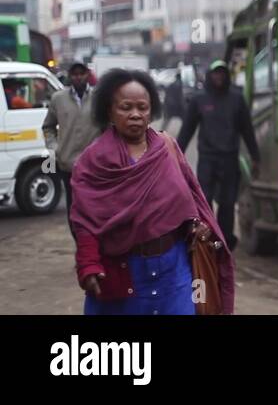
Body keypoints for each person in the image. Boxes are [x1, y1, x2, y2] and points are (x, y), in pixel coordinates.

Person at [70, 69, 234, 315]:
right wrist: (88, 263)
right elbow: (86, 221)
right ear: (110, 111)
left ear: (151, 110)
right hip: (125, 272)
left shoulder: (167, 148)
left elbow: (189, 203)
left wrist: (197, 225)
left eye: (142, 107)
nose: (135, 114)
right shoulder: (93, 160)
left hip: (174, 271)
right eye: (126, 107)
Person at [177, 60, 260, 250]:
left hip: (229, 158)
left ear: (227, 76)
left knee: (228, 202)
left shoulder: (237, 100)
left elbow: (247, 130)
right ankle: (205, 238)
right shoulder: (200, 99)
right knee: (204, 199)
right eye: (215, 73)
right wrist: (175, 155)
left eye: (222, 73)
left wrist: (255, 157)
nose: (219, 77)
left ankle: (225, 241)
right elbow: (187, 130)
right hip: (208, 158)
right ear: (210, 75)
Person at [42, 61, 101, 228]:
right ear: (70, 76)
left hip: (94, 166)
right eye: (74, 74)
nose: (78, 77)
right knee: (74, 211)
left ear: (87, 75)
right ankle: (81, 245)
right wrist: (54, 148)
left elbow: (108, 128)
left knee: (95, 208)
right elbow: (48, 127)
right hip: (68, 165)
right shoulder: (58, 99)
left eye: (81, 73)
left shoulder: (99, 98)